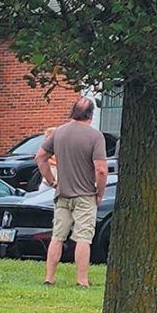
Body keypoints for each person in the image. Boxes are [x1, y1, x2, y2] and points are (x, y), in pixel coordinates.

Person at [33, 96, 109, 287]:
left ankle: (49, 278)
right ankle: (82, 280)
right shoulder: (95, 136)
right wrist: (99, 192)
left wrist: (51, 180)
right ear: (90, 115)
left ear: (72, 112)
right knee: (83, 237)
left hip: (62, 194)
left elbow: (40, 157)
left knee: (57, 236)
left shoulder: (58, 133)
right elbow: (101, 169)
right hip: (85, 195)